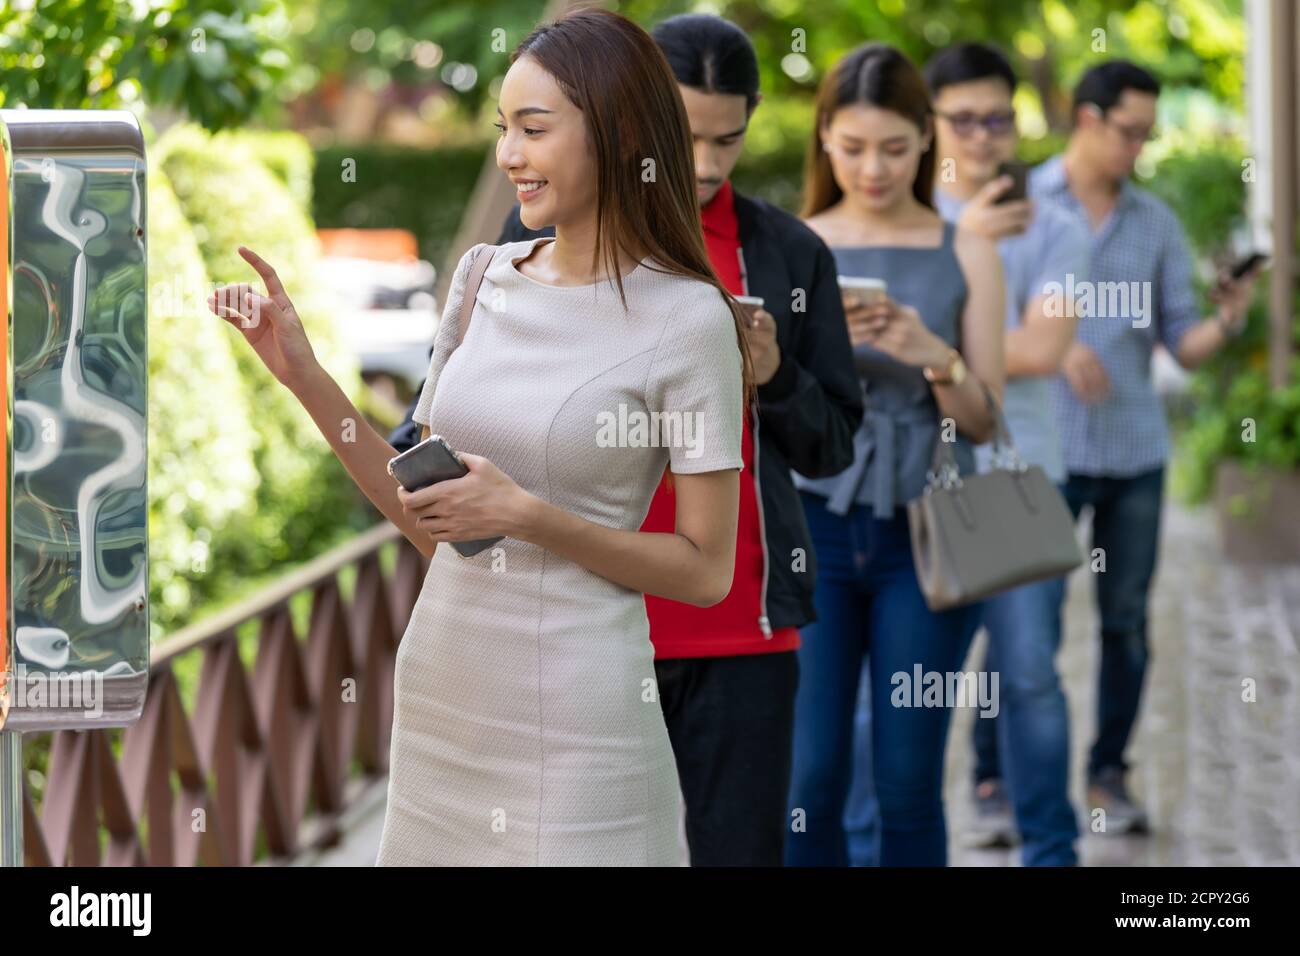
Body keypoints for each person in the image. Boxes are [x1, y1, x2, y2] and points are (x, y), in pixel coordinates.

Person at [209, 7, 753, 865]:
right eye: (504, 128)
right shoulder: (481, 278)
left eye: (533, 130)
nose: (508, 156)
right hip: (442, 702)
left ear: (615, 135)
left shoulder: (688, 321)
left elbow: (706, 571)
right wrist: (304, 375)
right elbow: (420, 509)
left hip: (579, 721)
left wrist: (533, 517)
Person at [391, 13, 862, 866]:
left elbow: (829, 447)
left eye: (730, 140)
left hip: (730, 628)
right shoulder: (511, 259)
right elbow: (436, 472)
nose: (707, 164)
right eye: (688, 136)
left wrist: (771, 376)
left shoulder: (781, 257)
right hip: (529, 654)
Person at [1028, 60, 1263, 834]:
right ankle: (1001, 782)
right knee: (1022, 619)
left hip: (1132, 452)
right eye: (1129, 131)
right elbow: (974, 316)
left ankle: (1108, 774)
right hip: (1039, 451)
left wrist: (1227, 318)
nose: (1139, 147)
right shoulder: (1020, 204)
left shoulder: (1156, 222)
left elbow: (1181, 347)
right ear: (1086, 118)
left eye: (1147, 135)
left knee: (1124, 622)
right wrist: (1052, 347)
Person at [785, 42, 1006, 867]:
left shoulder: (966, 250)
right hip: (814, 527)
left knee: (909, 778)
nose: (871, 168)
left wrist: (929, 350)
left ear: (925, 139)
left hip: (931, 533)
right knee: (811, 776)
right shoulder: (796, 242)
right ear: (824, 139)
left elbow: (985, 421)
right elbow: (766, 404)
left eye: (892, 147)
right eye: (851, 147)